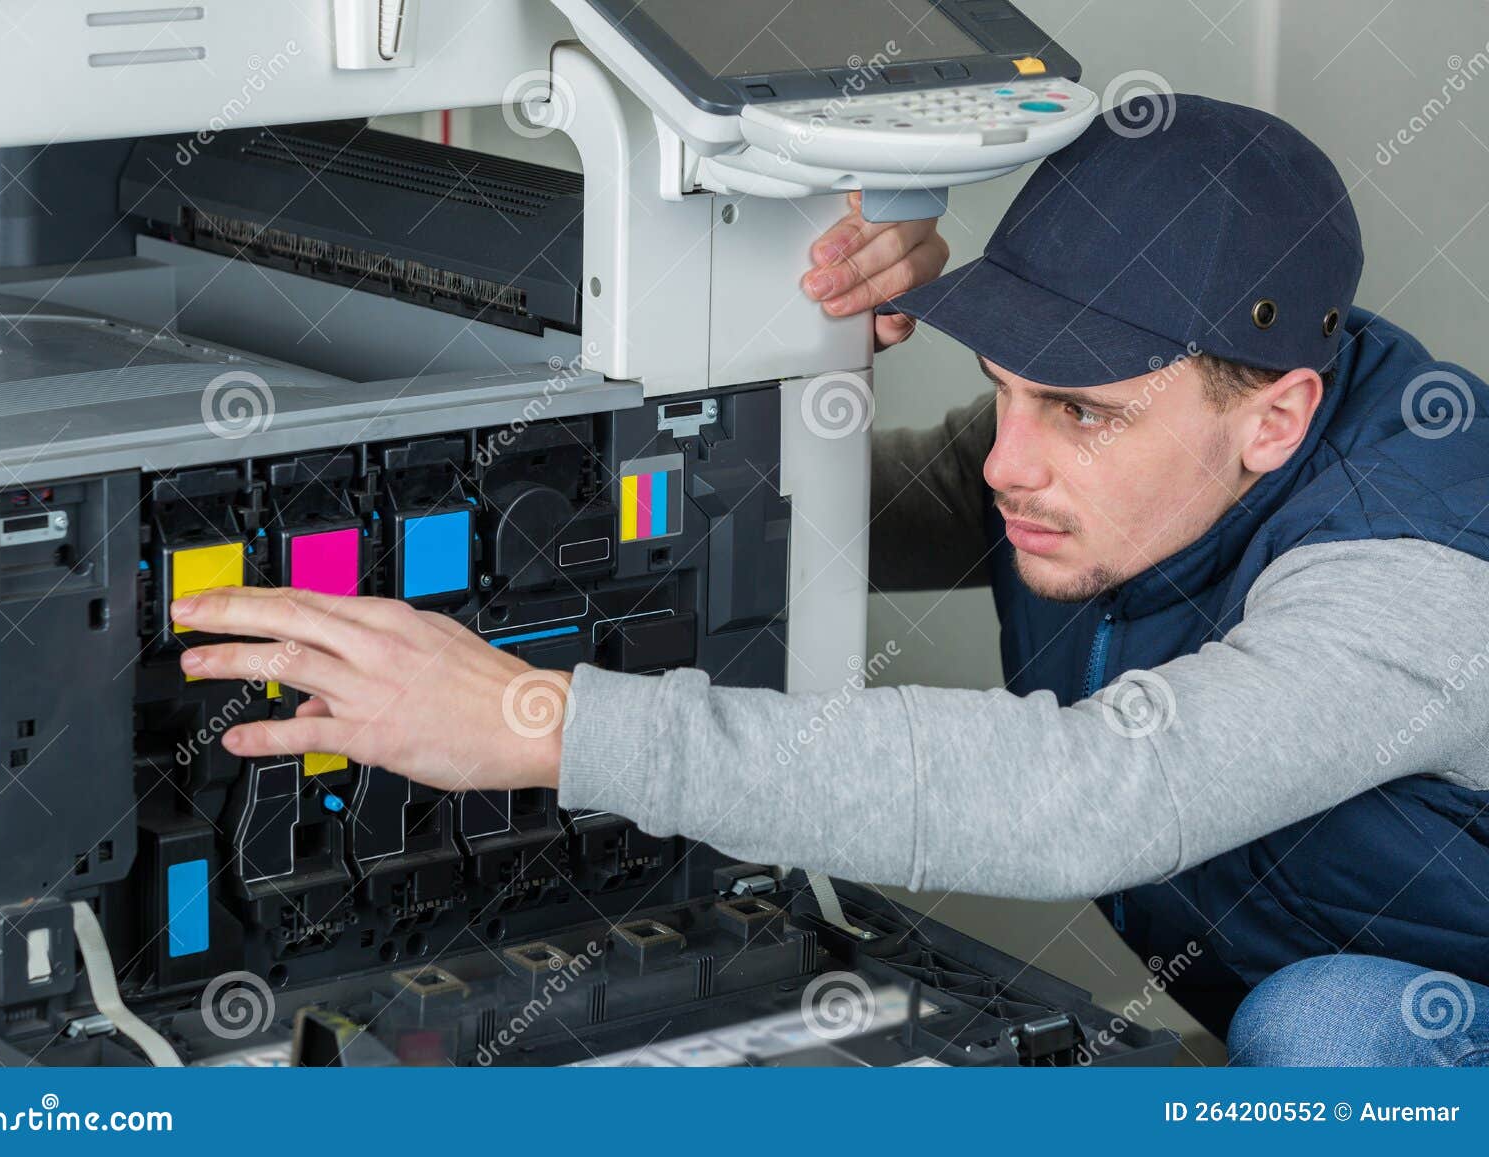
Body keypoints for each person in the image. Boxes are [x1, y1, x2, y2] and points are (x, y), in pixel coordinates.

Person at [171, 96, 1489, 1063]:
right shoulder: (1141, 433)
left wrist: (539, 724)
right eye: (1001, 388)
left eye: (1078, 412)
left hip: (1412, 1007)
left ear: (1278, 417)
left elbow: (1103, 792)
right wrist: (776, 346)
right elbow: (837, 513)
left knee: (1333, 1031)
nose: (1009, 459)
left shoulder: (1412, 582)